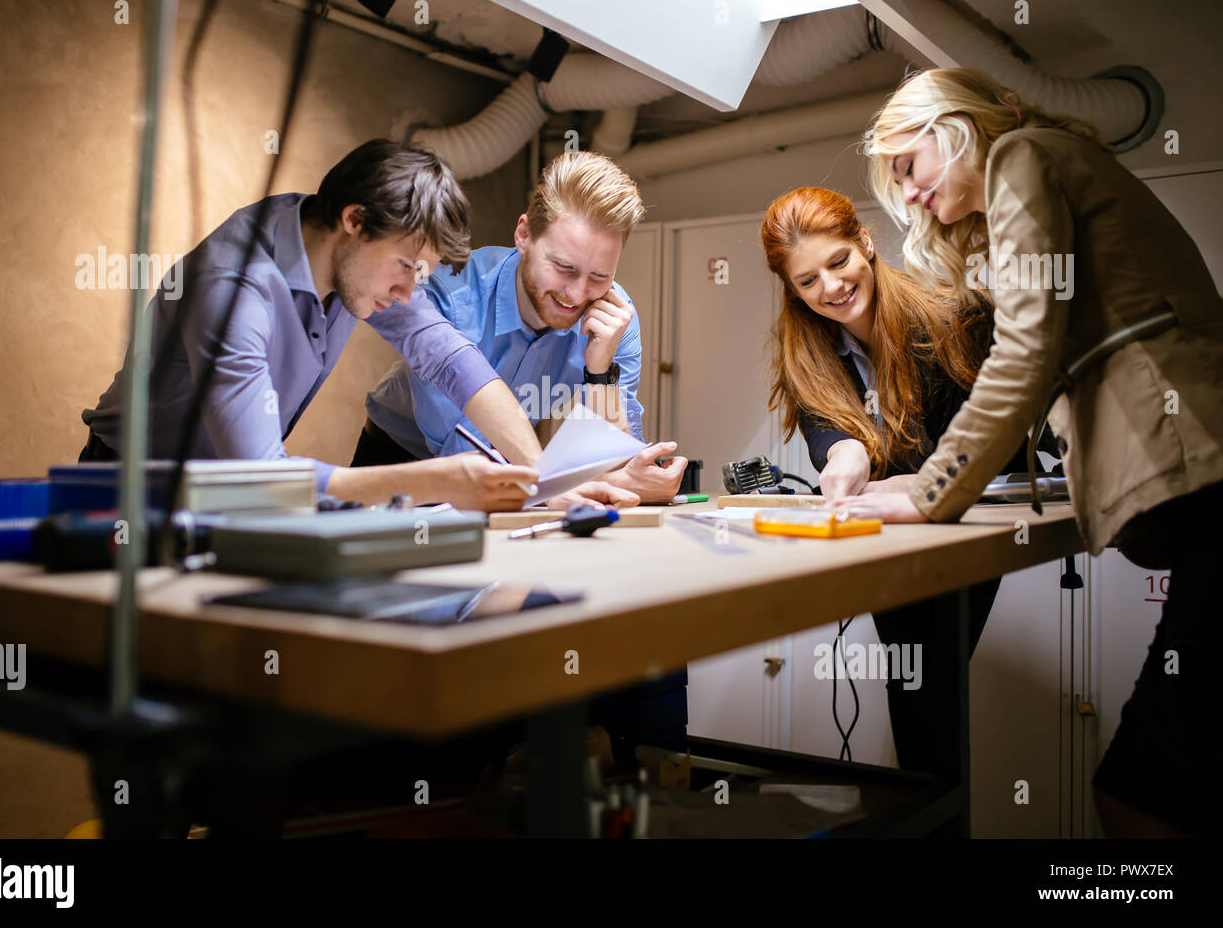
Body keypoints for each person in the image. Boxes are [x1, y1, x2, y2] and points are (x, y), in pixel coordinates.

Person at [857, 67, 1223, 836]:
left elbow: (1024, 354)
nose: (912, 194)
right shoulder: (1051, 163)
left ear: (949, 127)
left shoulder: (1022, 155)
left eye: (910, 167)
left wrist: (928, 491)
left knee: (1138, 796)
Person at [81, 139, 540, 511]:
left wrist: (542, 480)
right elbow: (259, 472)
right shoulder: (233, 290)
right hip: (130, 491)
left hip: (226, 491)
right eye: (405, 267)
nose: (407, 293)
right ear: (354, 220)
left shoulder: (345, 254)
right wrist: (434, 481)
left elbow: (447, 356)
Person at [762, 185, 1047, 775]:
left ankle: (932, 815)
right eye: (807, 281)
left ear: (864, 242)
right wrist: (844, 457)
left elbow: (995, 443)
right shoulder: (805, 350)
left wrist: (906, 482)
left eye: (838, 262)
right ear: (791, 289)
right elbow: (829, 435)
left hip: (966, 524)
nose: (831, 289)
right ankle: (926, 811)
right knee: (911, 685)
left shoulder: (953, 318)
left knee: (927, 690)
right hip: (892, 536)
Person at [360, 150, 688, 505]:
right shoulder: (451, 297)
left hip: (521, 469)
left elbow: (617, 460)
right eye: (563, 267)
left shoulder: (613, 315)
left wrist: (600, 373)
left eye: (599, 275)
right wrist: (573, 483)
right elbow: (464, 455)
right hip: (400, 456)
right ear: (524, 234)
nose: (577, 294)